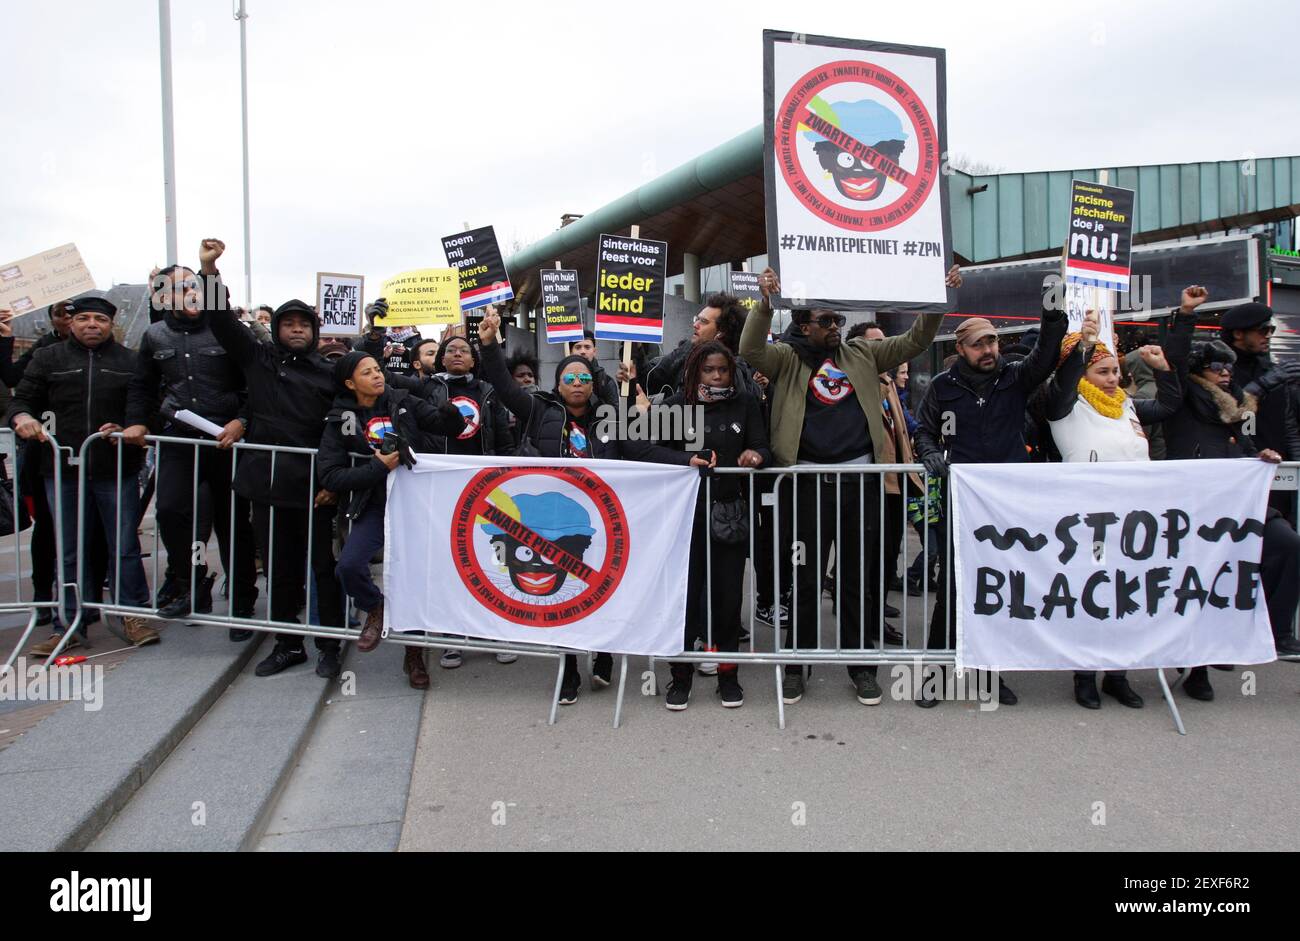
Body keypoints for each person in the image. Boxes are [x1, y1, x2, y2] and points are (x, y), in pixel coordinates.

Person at [739, 267, 953, 707]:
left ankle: (862, 668)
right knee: (804, 578)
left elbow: (914, 341)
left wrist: (938, 298)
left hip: (861, 485)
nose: (835, 327)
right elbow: (750, 348)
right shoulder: (787, 357)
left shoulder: (863, 353)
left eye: (837, 320)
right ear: (803, 325)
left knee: (859, 579)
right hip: (806, 485)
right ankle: (796, 665)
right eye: (825, 321)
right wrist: (764, 303)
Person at [478, 307, 705, 704]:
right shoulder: (538, 411)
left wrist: (685, 461)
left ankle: (603, 655)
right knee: (563, 597)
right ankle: (568, 669)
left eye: (584, 377)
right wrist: (489, 343)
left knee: (599, 590)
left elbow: (643, 448)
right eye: (570, 378)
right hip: (551, 525)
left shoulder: (610, 417)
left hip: (598, 525)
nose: (578, 383)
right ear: (558, 383)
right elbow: (502, 383)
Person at [200, 238, 347, 679]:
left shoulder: (329, 373)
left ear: (315, 331)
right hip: (266, 485)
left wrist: (332, 480)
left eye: (305, 324)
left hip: (315, 487)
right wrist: (209, 272)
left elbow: (340, 428)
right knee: (280, 570)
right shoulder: (259, 361)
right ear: (278, 329)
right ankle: (287, 644)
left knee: (323, 567)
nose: (297, 330)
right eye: (289, 324)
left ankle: (330, 645)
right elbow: (222, 322)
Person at [914, 296, 1068, 707]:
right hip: (962, 500)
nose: (989, 351)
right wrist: (929, 452)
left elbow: (1046, 356)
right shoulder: (943, 388)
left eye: (993, 342)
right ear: (960, 350)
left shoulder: (1015, 378)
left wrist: (1052, 315)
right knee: (952, 586)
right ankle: (936, 676)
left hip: (1005, 503)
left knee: (998, 587)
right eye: (979, 344)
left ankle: (990, 674)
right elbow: (924, 431)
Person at [1159, 286, 1300, 697]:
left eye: (1229, 368)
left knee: (1288, 546)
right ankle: (1198, 668)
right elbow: (1176, 357)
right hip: (1197, 508)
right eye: (1219, 368)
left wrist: (1264, 455)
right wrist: (1185, 313)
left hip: (1240, 505)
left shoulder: (1237, 409)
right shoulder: (1184, 397)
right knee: (1203, 581)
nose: (1227, 374)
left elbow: (1249, 443)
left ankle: (1271, 631)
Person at [1044, 310, 1182, 708]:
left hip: (1134, 516)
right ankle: (1085, 675)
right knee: (1093, 596)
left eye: (1115, 371)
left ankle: (1117, 675)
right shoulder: (1065, 404)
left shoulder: (1127, 406)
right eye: (1103, 372)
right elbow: (1064, 383)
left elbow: (1170, 405)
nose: (1113, 379)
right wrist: (1083, 346)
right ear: (1083, 374)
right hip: (1090, 518)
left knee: (1126, 595)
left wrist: (1164, 368)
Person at [6, 295, 158, 653]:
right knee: (69, 550)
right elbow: (21, 398)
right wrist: (22, 418)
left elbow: (144, 404)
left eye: (100, 319)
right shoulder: (47, 358)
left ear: (111, 324)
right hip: (60, 470)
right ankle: (69, 623)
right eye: (85, 318)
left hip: (114, 469)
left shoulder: (130, 361)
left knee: (124, 546)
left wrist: (134, 425)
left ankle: (133, 615)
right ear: (70, 323)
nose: (93, 324)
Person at [123, 262, 259, 636]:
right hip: (180, 439)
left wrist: (242, 420)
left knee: (233, 525)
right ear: (165, 297)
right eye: (181, 289)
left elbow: (254, 384)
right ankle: (189, 582)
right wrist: (138, 422)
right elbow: (142, 387)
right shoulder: (155, 336)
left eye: (196, 288)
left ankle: (243, 604)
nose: (191, 294)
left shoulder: (227, 333)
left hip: (225, 439)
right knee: (169, 510)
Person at [318, 352, 466, 689]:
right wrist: (377, 468)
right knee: (350, 565)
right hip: (372, 505)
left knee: (411, 582)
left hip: (412, 504)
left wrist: (449, 410)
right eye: (366, 373)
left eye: (377, 369)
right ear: (349, 383)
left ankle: (414, 657)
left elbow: (447, 426)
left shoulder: (401, 402)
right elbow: (331, 474)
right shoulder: (342, 418)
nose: (376, 376)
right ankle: (375, 607)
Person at [382, 326, 515, 668]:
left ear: (474, 359)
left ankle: (493, 631)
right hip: (440, 488)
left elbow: (502, 437)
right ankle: (453, 637)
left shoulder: (488, 391)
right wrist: (376, 349)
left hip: (483, 487)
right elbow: (387, 382)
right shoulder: (426, 387)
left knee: (489, 559)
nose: (457, 353)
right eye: (451, 349)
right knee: (449, 562)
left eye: (464, 350)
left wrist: (509, 476)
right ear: (440, 358)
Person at [654, 340, 772, 710]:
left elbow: (764, 448)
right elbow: (644, 450)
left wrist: (755, 455)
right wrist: (685, 458)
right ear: (694, 372)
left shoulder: (746, 403)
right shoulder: (675, 407)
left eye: (722, 369)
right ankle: (681, 678)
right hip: (683, 519)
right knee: (685, 600)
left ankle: (728, 677)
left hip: (728, 516)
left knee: (727, 601)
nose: (717, 375)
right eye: (709, 370)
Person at [0, 300, 109, 628]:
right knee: (48, 528)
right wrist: (5, 340)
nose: (74, 321)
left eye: (94, 318)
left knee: (96, 529)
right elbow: (13, 384)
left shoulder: (108, 354)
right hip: (48, 455)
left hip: (94, 455)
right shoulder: (44, 351)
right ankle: (43, 595)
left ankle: (89, 598)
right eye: (65, 315)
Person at [570, 330, 619, 408]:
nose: (583, 351)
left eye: (587, 347)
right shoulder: (564, 379)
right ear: (571, 352)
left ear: (594, 351)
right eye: (578, 347)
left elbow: (615, 414)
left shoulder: (605, 381)